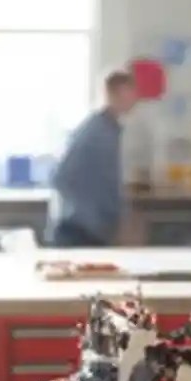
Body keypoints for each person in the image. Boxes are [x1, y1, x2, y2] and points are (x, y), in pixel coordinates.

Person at [44, 69, 140, 247]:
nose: (133, 100)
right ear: (111, 94)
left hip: (89, 226)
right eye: (127, 93)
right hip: (78, 228)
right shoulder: (96, 132)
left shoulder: (109, 129)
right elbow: (61, 176)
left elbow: (109, 181)